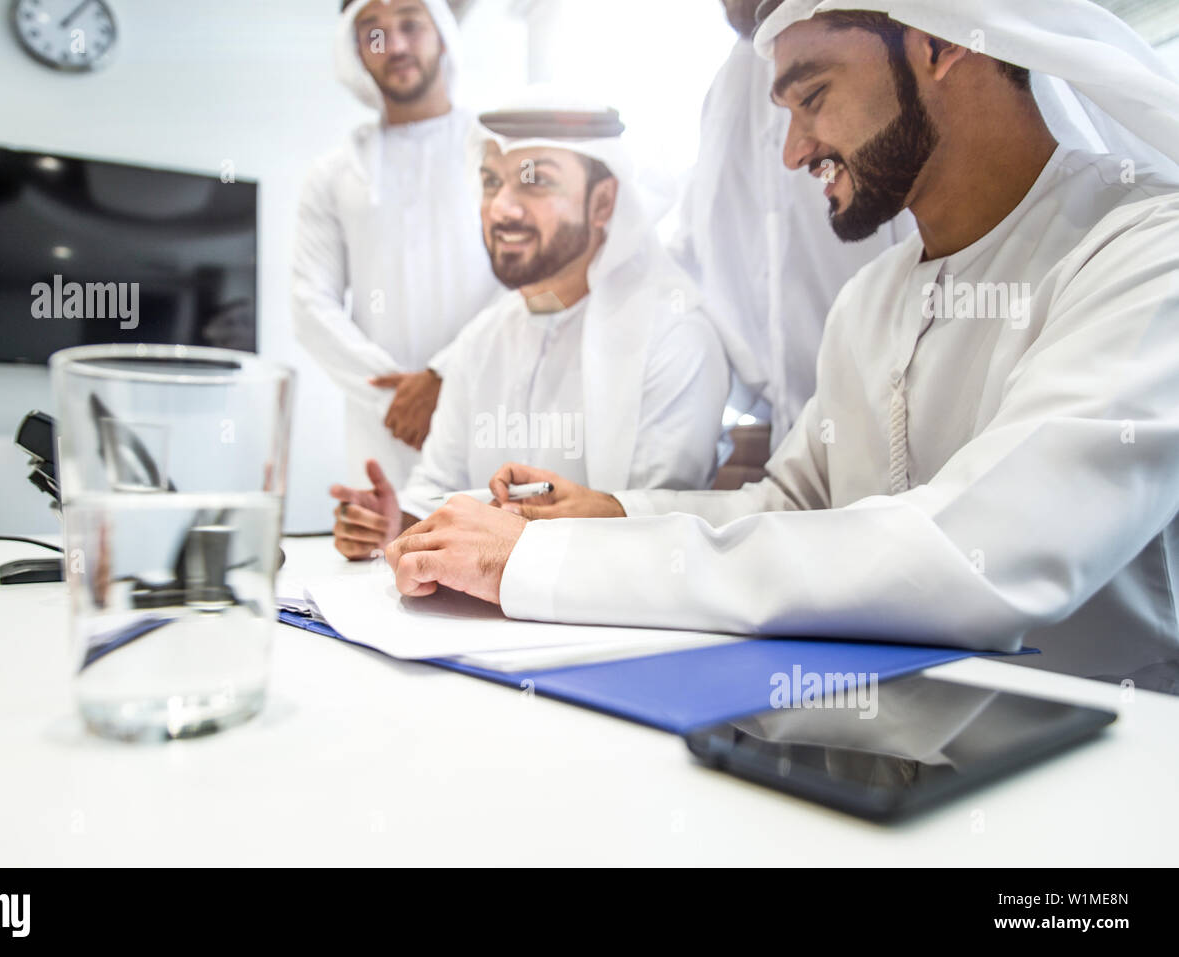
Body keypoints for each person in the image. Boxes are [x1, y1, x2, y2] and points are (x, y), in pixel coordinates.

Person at [383, 0, 1179, 694]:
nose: (795, 151)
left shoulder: (1147, 253)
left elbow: (968, 552)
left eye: (814, 95)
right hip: (884, 764)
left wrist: (542, 565)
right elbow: (788, 507)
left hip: (1101, 779)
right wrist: (608, 515)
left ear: (940, 43)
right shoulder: (870, 299)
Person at [330, 96, 730, 559]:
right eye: (490, 182)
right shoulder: (482, 339)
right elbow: (437, 490)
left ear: (602, 203)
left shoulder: (675, 338)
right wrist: (394, 522)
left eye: (534, 182)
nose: (502, 209)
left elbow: (652, 528)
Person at [672, 0, 910, 452]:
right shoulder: (727, 85)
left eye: (815, 97)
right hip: (788, 444)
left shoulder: (879, 43)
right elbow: (695, 257)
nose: (793, 155)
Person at [292, 0, 500, 490]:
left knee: (499, 550)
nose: (396, 45)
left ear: (443, 32)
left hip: (490, 404)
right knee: (388, 554)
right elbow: (309, 306)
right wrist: (398, 398)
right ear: (356, 50)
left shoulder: (499, 150)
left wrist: (444, 377)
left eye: (410, 24)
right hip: (383, 429)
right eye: (374, 32)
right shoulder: (334, 173)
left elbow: (525, 286)